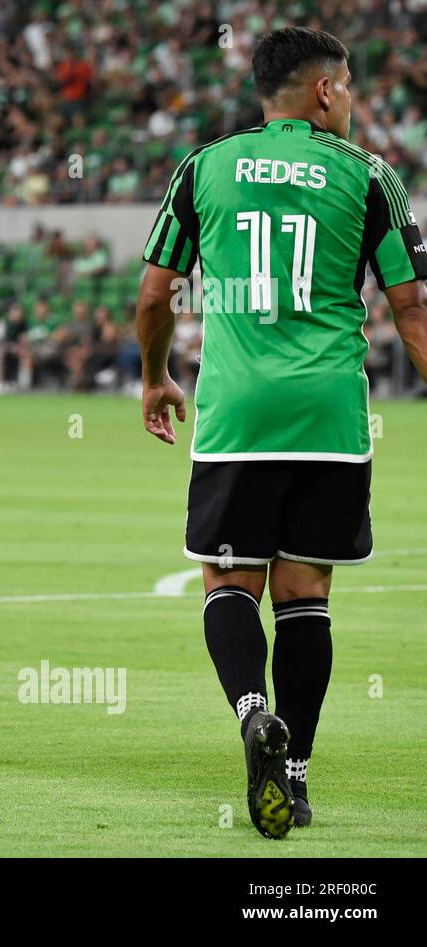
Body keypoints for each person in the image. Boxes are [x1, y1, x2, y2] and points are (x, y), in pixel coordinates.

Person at [136, 28, 427, 839]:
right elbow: (411, 310)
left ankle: (253, 714)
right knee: (307, 597)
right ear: (326, 91)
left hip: (237, 416)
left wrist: (157, 375)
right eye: (352, 88)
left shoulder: (203, 169)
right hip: (332, 419)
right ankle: (295, 777)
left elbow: (156, 294)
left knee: (230, 584)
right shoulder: (372, 177)